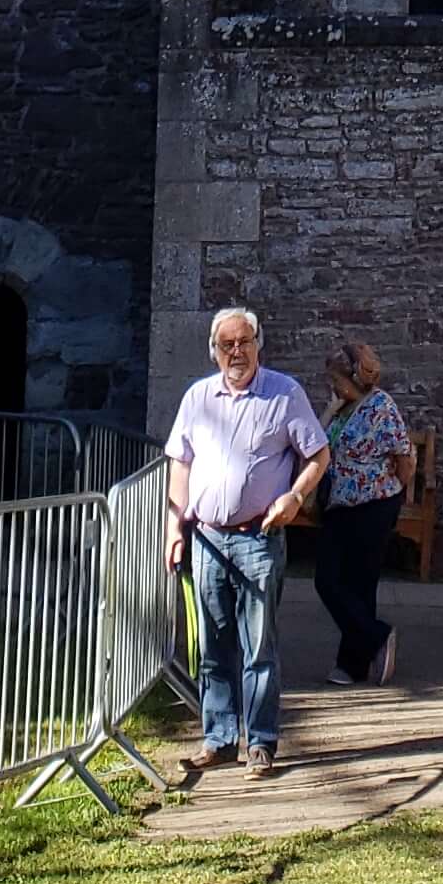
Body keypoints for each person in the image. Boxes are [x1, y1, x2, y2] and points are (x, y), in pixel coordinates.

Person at [165, 304, 329, 775]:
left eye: (244, 342)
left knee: (258, 646)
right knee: (212, 647)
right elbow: (181, 462)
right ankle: (218, 739)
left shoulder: (284, 394)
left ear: (259, 344)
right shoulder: (197, 398)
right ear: (213, 351)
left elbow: (318, 454)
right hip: (208, 540)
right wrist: (175, 526)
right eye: (226, 344)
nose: (236, 351)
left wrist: (295, 498)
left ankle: (260, 742)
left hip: (259, 538)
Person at [314, 336, 414, 687]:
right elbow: (316, 442)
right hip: (339, 506)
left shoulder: (381, 406)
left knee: (360, 584)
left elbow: (404, 458)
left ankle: (352, 663)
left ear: (353, 378)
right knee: (326, 580)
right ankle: (377, 636)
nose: (332, 386)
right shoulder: (341, 409)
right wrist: (329, 408)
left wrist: (393, 494)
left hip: (373, 506)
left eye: (336, 380)